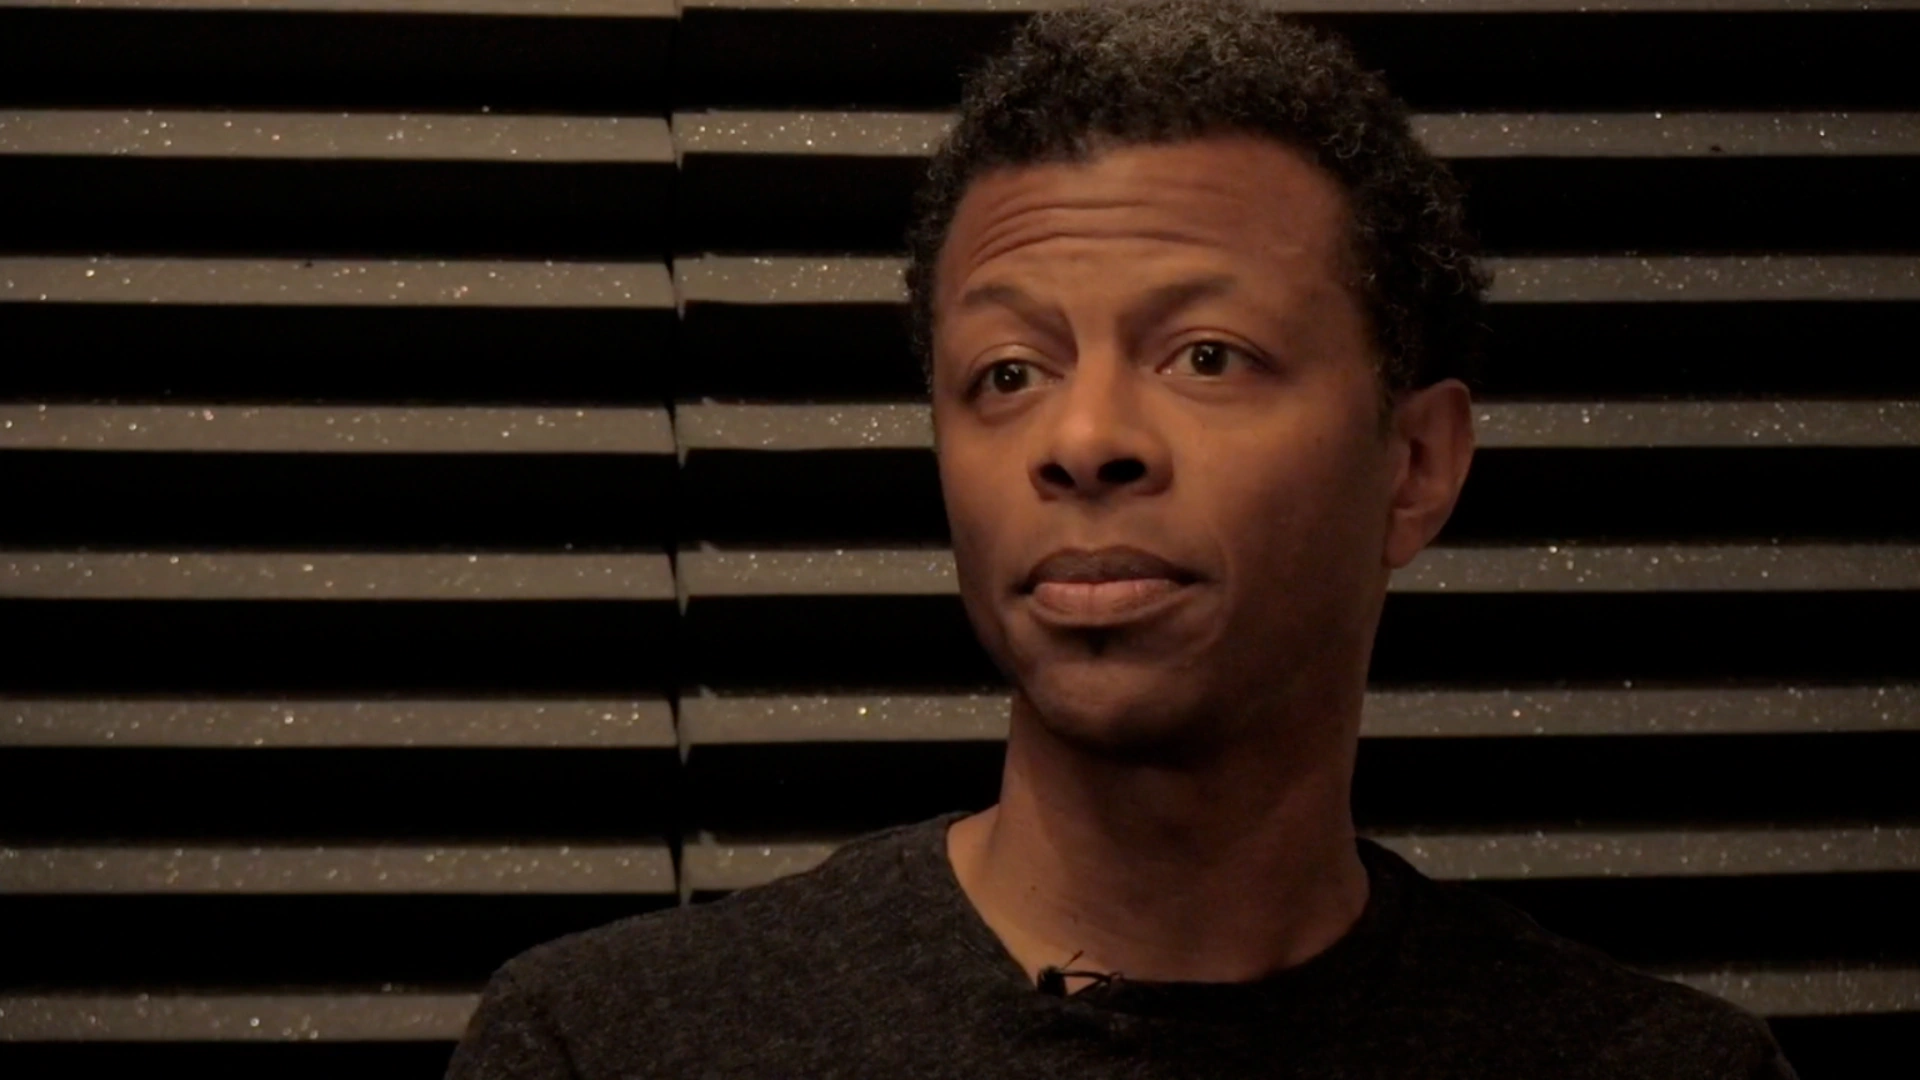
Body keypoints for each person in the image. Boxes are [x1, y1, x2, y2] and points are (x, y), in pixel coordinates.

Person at [447, 2, 1797, 1076]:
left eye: (1206, 355)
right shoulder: (615, 1047)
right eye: (1009, 373)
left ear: (1416, 467)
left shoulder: (1656, 1066)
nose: (1083, 438)